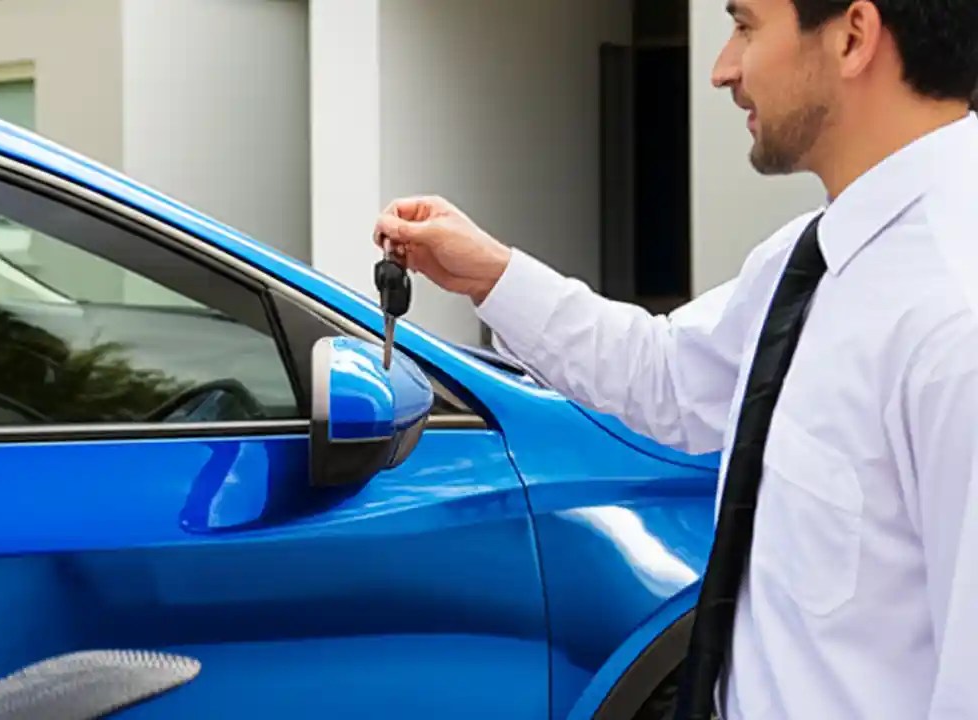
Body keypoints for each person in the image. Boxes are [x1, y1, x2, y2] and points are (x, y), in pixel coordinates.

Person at [373, 1, 978, 718]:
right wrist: (491, 276)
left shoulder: (953, 313)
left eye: (747, 26)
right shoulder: (811, 258)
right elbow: (667, 378)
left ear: (852, 37)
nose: (723, 69)